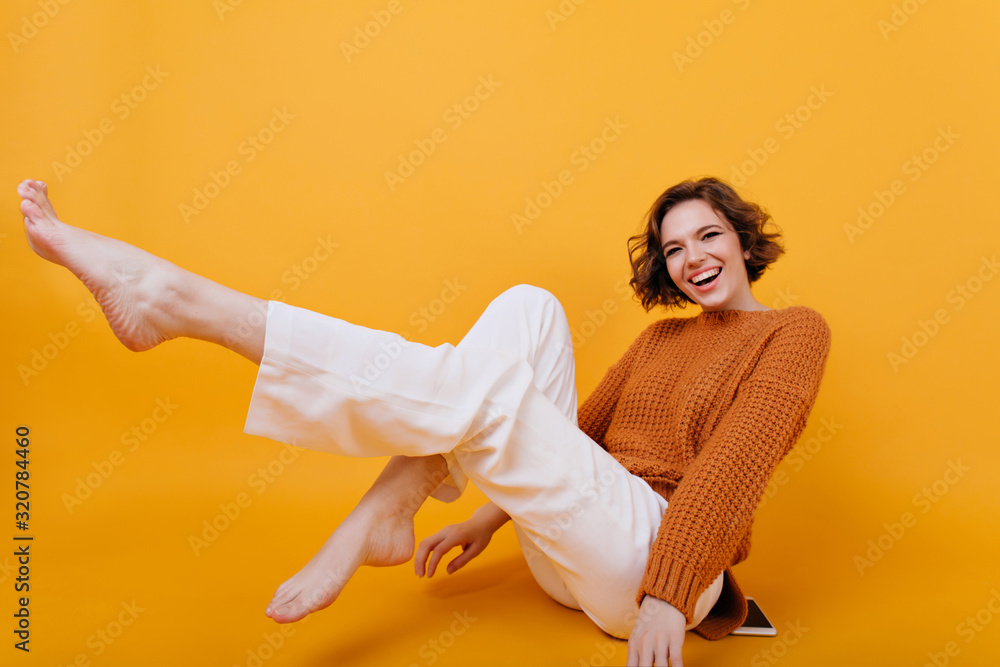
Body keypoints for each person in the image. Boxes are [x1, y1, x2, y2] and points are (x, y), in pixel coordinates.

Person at [17, 175, 830, 666]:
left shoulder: (794, 332)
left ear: (742, 240)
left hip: (656, 568)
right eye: (675, 247)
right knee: (529, 309)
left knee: (490, 392)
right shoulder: (660, 339)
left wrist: (668, 595)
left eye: (708, 235)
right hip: (575, 557)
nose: (693, 258)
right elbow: (572, 441)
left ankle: (187, 306)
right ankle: (388, 508)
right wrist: (485, 517)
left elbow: (732, 472)